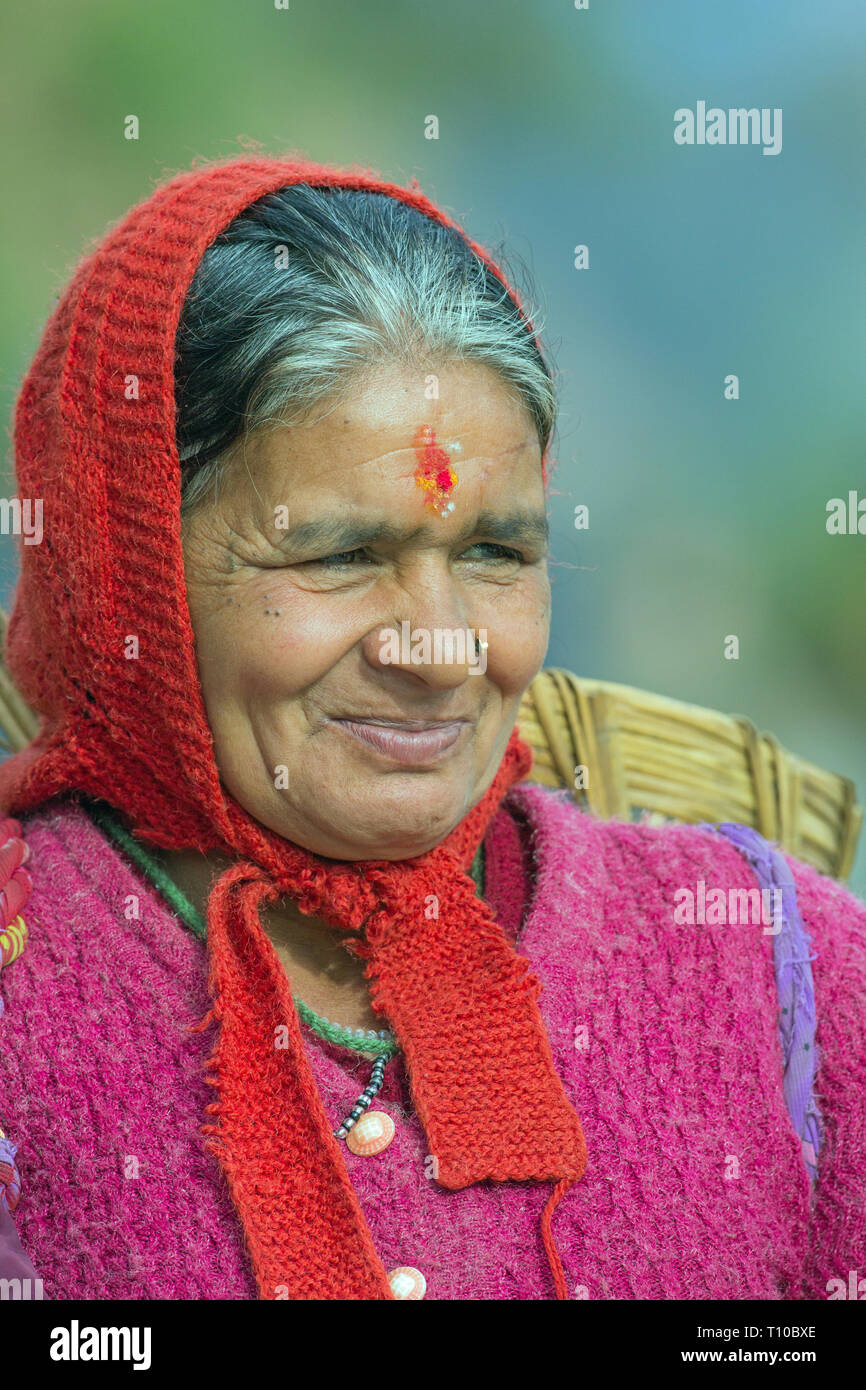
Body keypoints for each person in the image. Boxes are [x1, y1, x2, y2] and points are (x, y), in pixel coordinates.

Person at [0, 154, 863, 1301]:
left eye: (494, 554)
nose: (442, 645)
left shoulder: (783, 971)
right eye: (341, 555)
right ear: (130, 570)